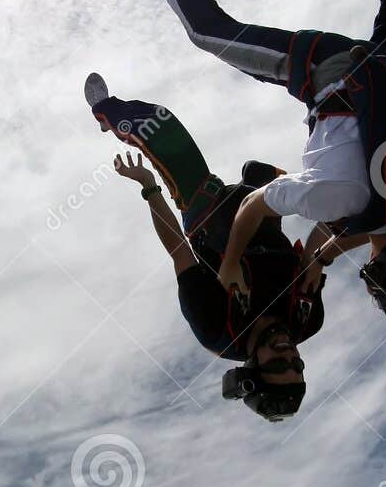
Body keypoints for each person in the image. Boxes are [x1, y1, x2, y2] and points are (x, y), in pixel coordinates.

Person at [107, 0, 386, 330]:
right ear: (379, 279)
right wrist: (229, 267)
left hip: (382, 71)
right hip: (324, 71)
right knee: (210, 33)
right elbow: (252, 206)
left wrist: (318, 257)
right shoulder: (338, 199)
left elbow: (364, 230)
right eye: (376, 292)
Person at [83, 77, 325, 422]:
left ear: (252, 366)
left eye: (278, 364)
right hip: (264, 211)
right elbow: (315, 252)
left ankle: (106, 112)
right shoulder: (308, 319)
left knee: (164, 129)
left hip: (208, 215)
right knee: (261, 172)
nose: (288, 353)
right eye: (297, 364)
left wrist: (150, 187)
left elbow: (180, 253)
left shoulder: (217, 328)